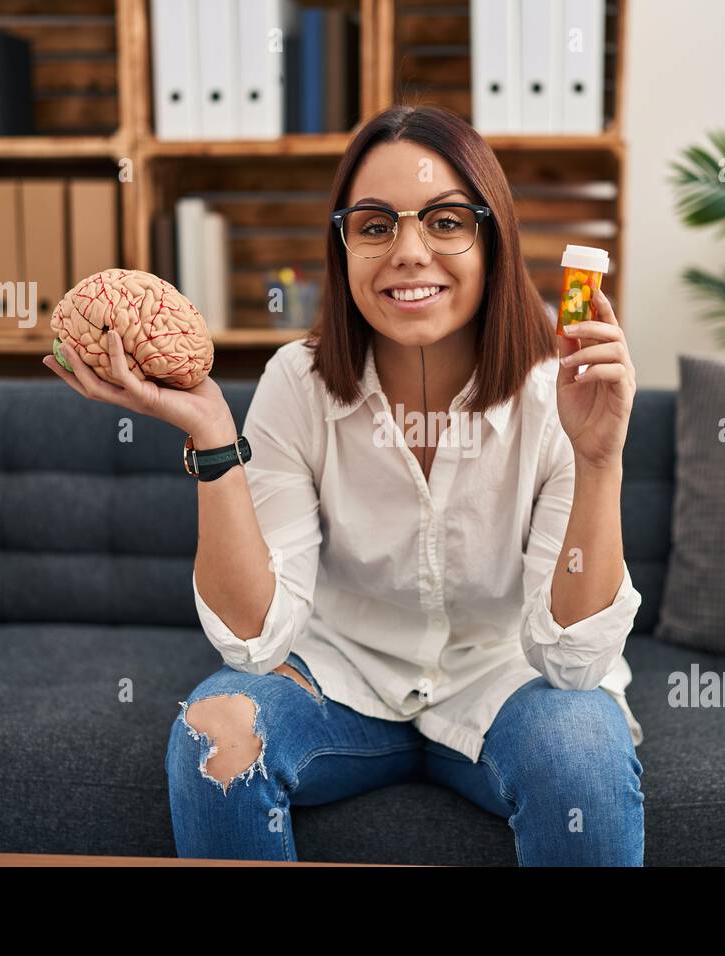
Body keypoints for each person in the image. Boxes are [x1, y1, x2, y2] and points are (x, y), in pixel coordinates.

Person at [43, 104, 644, 866]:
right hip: (345, 683)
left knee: (580, 752)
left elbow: (574, 663)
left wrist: (598, 461)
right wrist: (213, 439)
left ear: (493, 240)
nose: (409, 252)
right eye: (375, 225)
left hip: (505, 683)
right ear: (344, 248)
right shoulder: (296, 383)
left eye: (447, 221)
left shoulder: (558, 390)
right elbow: (254, 645)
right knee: (217, 727)